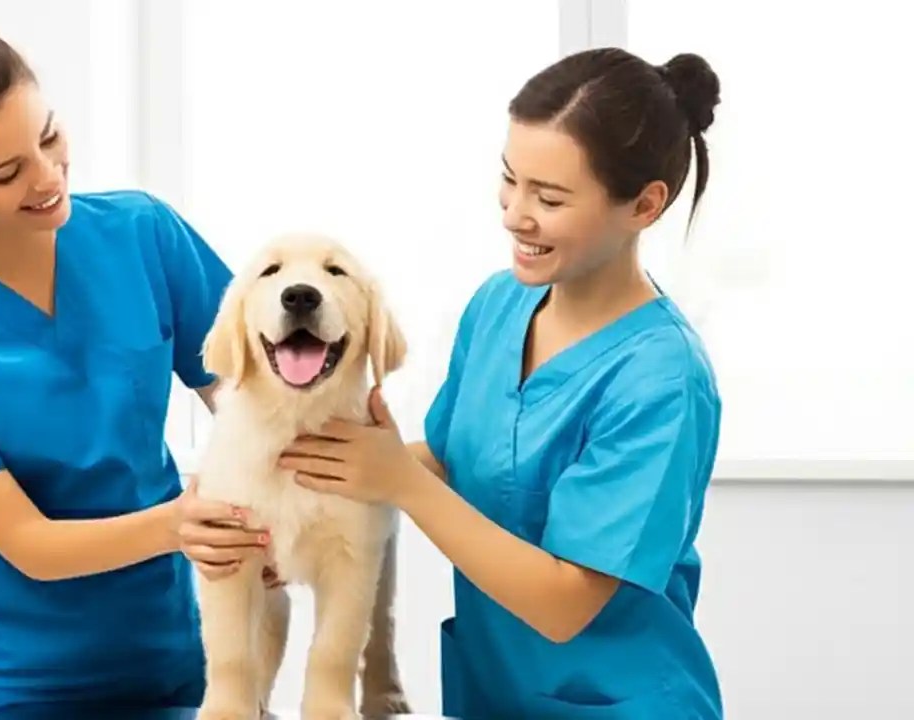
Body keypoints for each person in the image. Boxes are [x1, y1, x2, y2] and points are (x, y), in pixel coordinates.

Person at [0, 24, 276, 720]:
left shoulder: (142, 233)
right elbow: (32, 545)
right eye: (6, 174)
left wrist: (276, 497)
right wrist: (182, 525)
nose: (48, 176)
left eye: (50, 136)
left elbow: (248, 395)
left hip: (174, 653)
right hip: (22, 683)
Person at [280, 47, 726, 718]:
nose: (515, 214)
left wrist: (395, 479)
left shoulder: (661, 379)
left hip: (623, 701)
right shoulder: (500, 305)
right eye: (510, 180)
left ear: (644, 205)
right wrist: (290, 515)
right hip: (499, 694)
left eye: (548, 198)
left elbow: (565, 601)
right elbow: (450, 458)